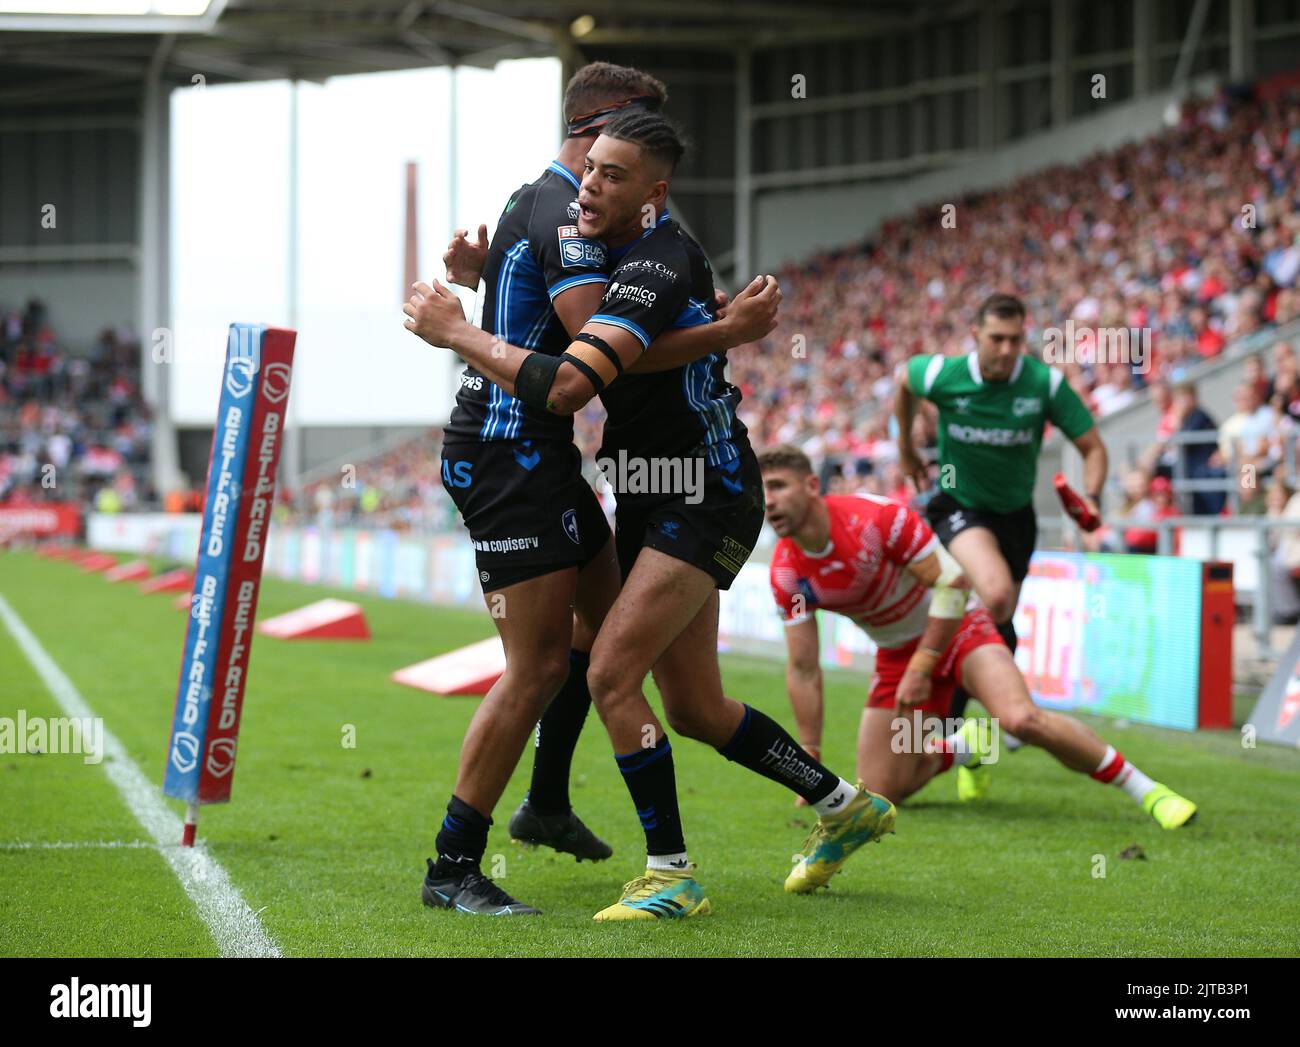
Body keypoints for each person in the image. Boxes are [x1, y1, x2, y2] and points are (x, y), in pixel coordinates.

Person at [409, 110, 894, 920]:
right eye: (589, 168)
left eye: (613, 175)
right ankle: (843, 805)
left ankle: (671, 872)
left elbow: (571, 384)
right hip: (642, 486)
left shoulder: (657, 261)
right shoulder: (595, 242)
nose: (590, 185)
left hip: (700, 490)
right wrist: (492, 267)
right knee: (696, 706)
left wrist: (459, 331)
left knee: (605, 671)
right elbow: (585, 315)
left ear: (654, 193)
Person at [760, 444, 1199, 827]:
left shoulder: (875, 520)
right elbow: (802, 668)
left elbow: (953, 586)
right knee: (881, 789)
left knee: (1021, 720)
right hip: (897, 653)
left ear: (813, 486)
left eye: (778, 486)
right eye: (761, 491)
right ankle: (967, 746)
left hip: (960, 628)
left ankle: (1149, 791)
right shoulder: (786, 571)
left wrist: (924, 664)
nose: (768, 500)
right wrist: (809, 748)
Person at [895, 293, 1108, 793]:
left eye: (1016, 339)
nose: (1008, 348)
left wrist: (1092, 496)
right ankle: (969, 725)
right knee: (990, 594)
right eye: (997, 338)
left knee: (998, 616)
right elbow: (905, 378)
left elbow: (1093, 447)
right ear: (976, 336)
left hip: (1016, 517)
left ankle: (971, 738)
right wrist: (907, 447)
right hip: (957, 504)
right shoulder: (944, 375)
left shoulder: (1044, 384)